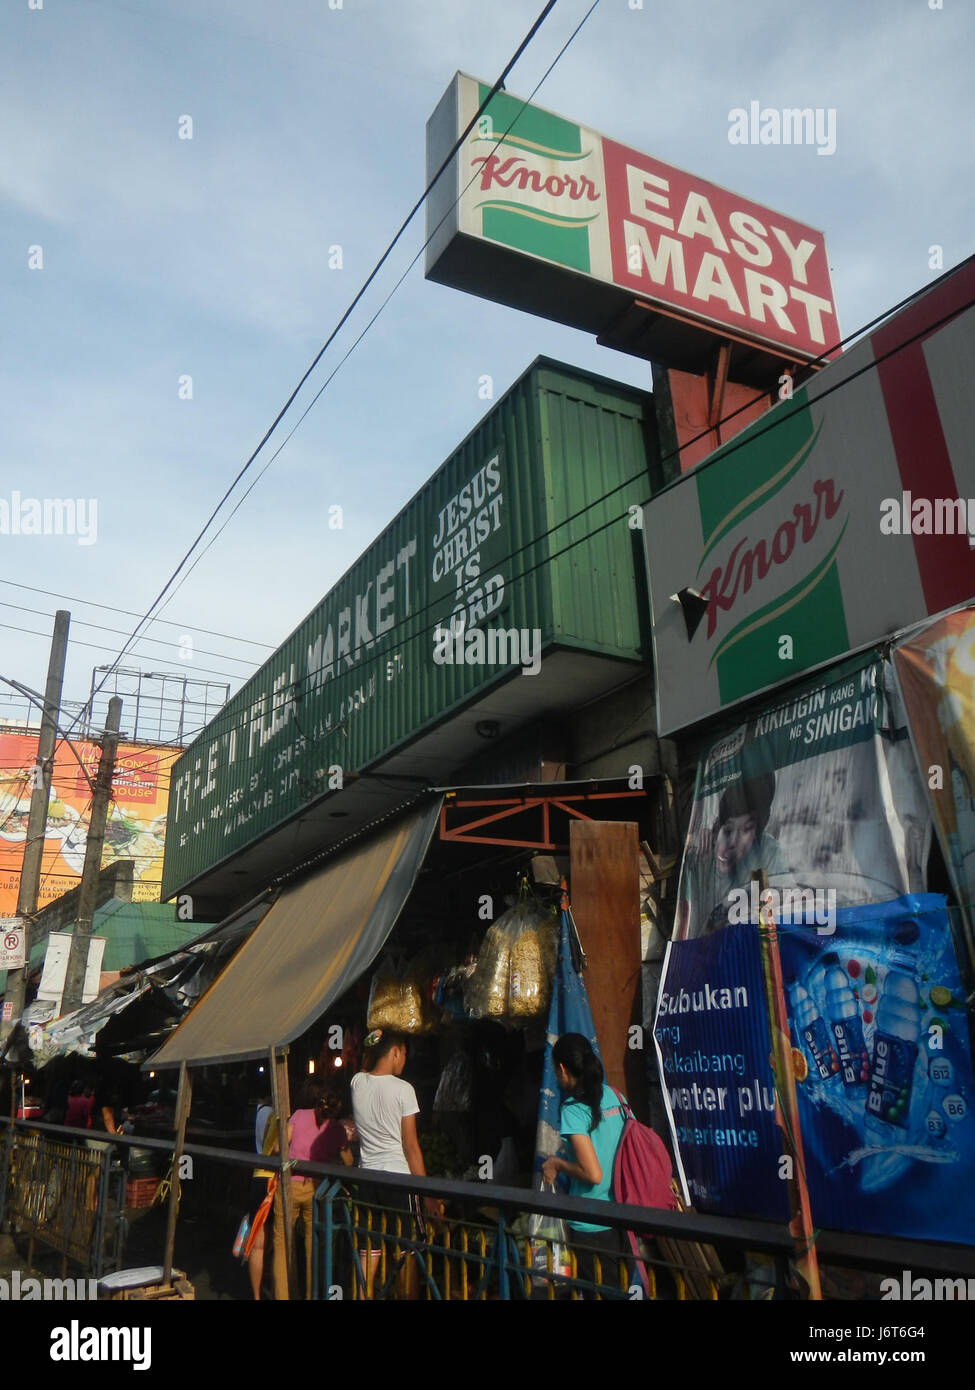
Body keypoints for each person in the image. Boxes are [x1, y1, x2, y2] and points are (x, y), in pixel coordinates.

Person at [540, 1034, 628, 1299]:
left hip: (591, 1226)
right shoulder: (614, 1095)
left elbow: (592, 1174)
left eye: (556, 1070)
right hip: (624, 1216)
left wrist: (558, 1164)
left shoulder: (573, 1110)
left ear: (562, 1069)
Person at [350, 1028, 434, 1299]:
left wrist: (373, 1043)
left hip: (367, 1179)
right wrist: (427, 1194)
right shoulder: (404, 1090)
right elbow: (411, 1147)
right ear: (395, 1052)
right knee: (407, 1249)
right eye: (404, 1054)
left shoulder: (357, 1083)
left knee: (369, 1249)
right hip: (398, 1178)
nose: (405, 1060)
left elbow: (366, 1066)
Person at [273, 1079, 353, 1300]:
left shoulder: (299, 1115)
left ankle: (284, 1296)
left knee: (282, 1245)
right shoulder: (337, 1129)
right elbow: (349, 1162)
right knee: (313, 1247)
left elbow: (280, 1147)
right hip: (317, 1190)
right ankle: (312, 1295)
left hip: (288, 1185)